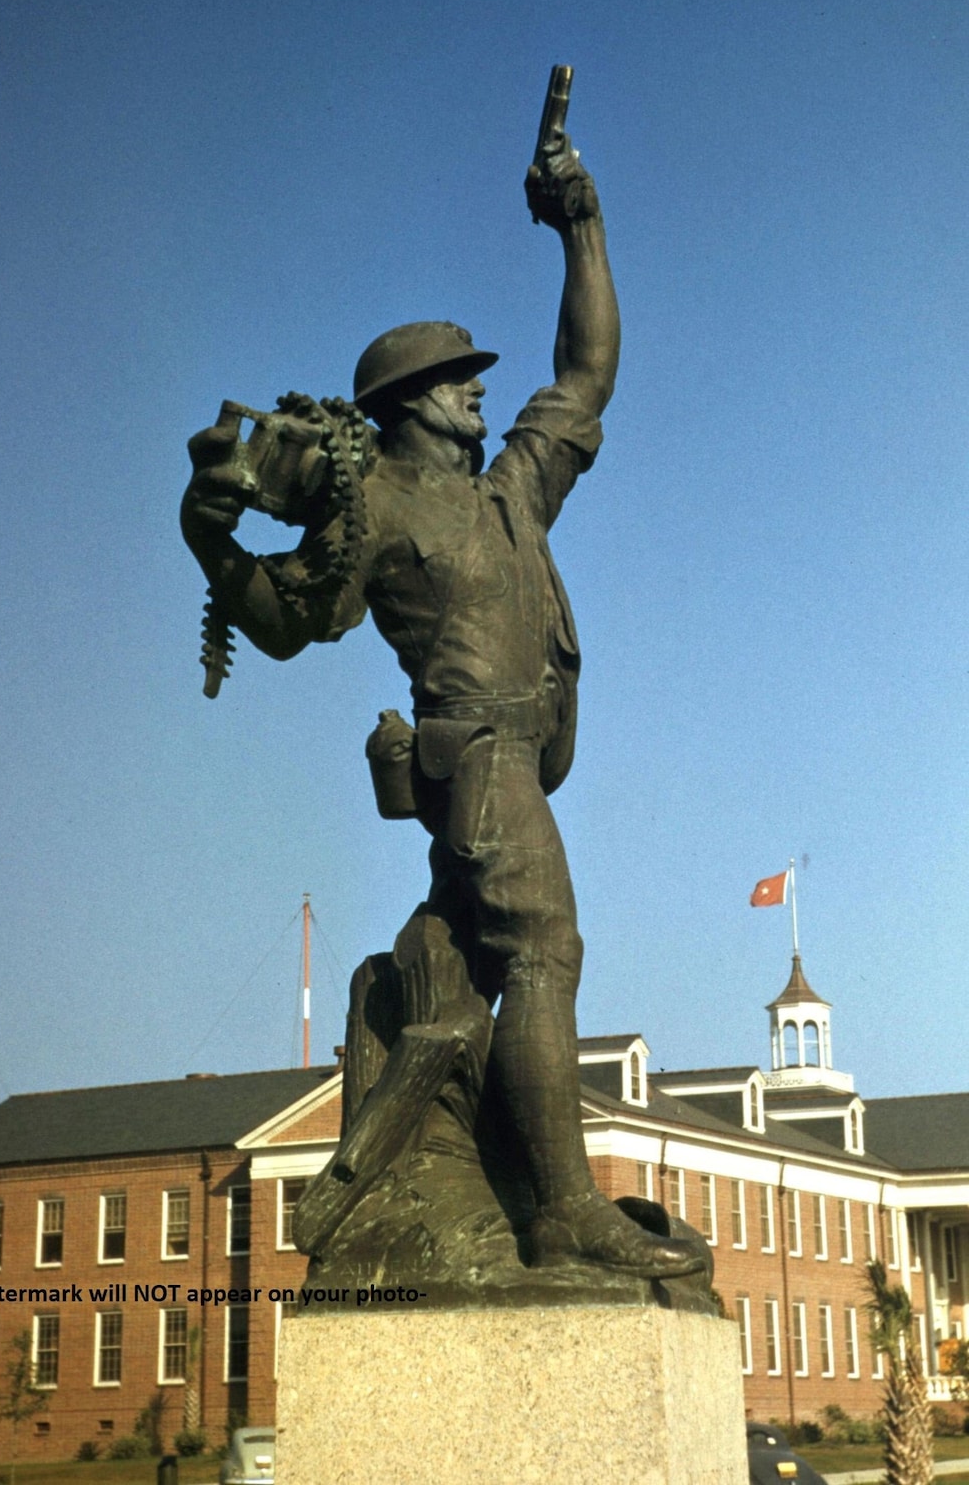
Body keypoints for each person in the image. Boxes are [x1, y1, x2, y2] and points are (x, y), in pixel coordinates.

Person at [181, 137, 702, 1279]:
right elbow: (282, 619)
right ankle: (564, 1210)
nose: (480, 387)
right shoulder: (375, 511)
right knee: (546, 949)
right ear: (411, 405)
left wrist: (583, 227)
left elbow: (585, 373)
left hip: (521, 755)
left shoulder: (510, 489)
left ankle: (474, 1182)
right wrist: (209, 539)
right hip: (475, 765)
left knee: (453, 979)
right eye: (460, 377)